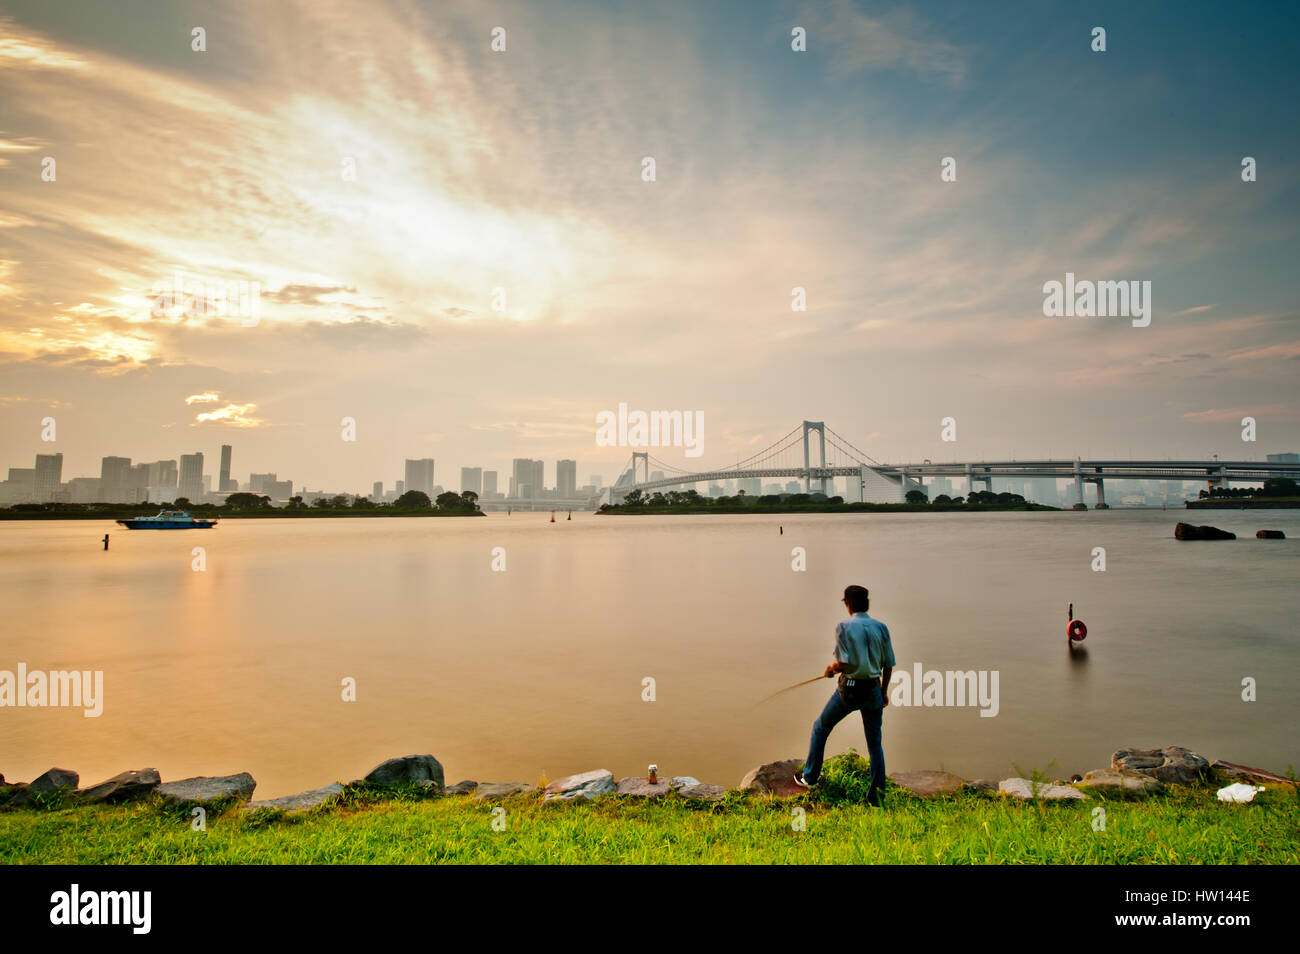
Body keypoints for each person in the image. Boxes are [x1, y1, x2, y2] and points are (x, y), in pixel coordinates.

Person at [794, 584, 894, 805]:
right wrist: (883, 692)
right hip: (873, 689)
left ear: (848, 605)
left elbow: (844, 662)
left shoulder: (844, 627)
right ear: (866, 604)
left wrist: (831, 669)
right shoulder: (881, 627)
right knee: (875, 743)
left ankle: (809, 777)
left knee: (820, 727)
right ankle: (877, 797)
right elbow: (888, 665)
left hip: (849, 689)